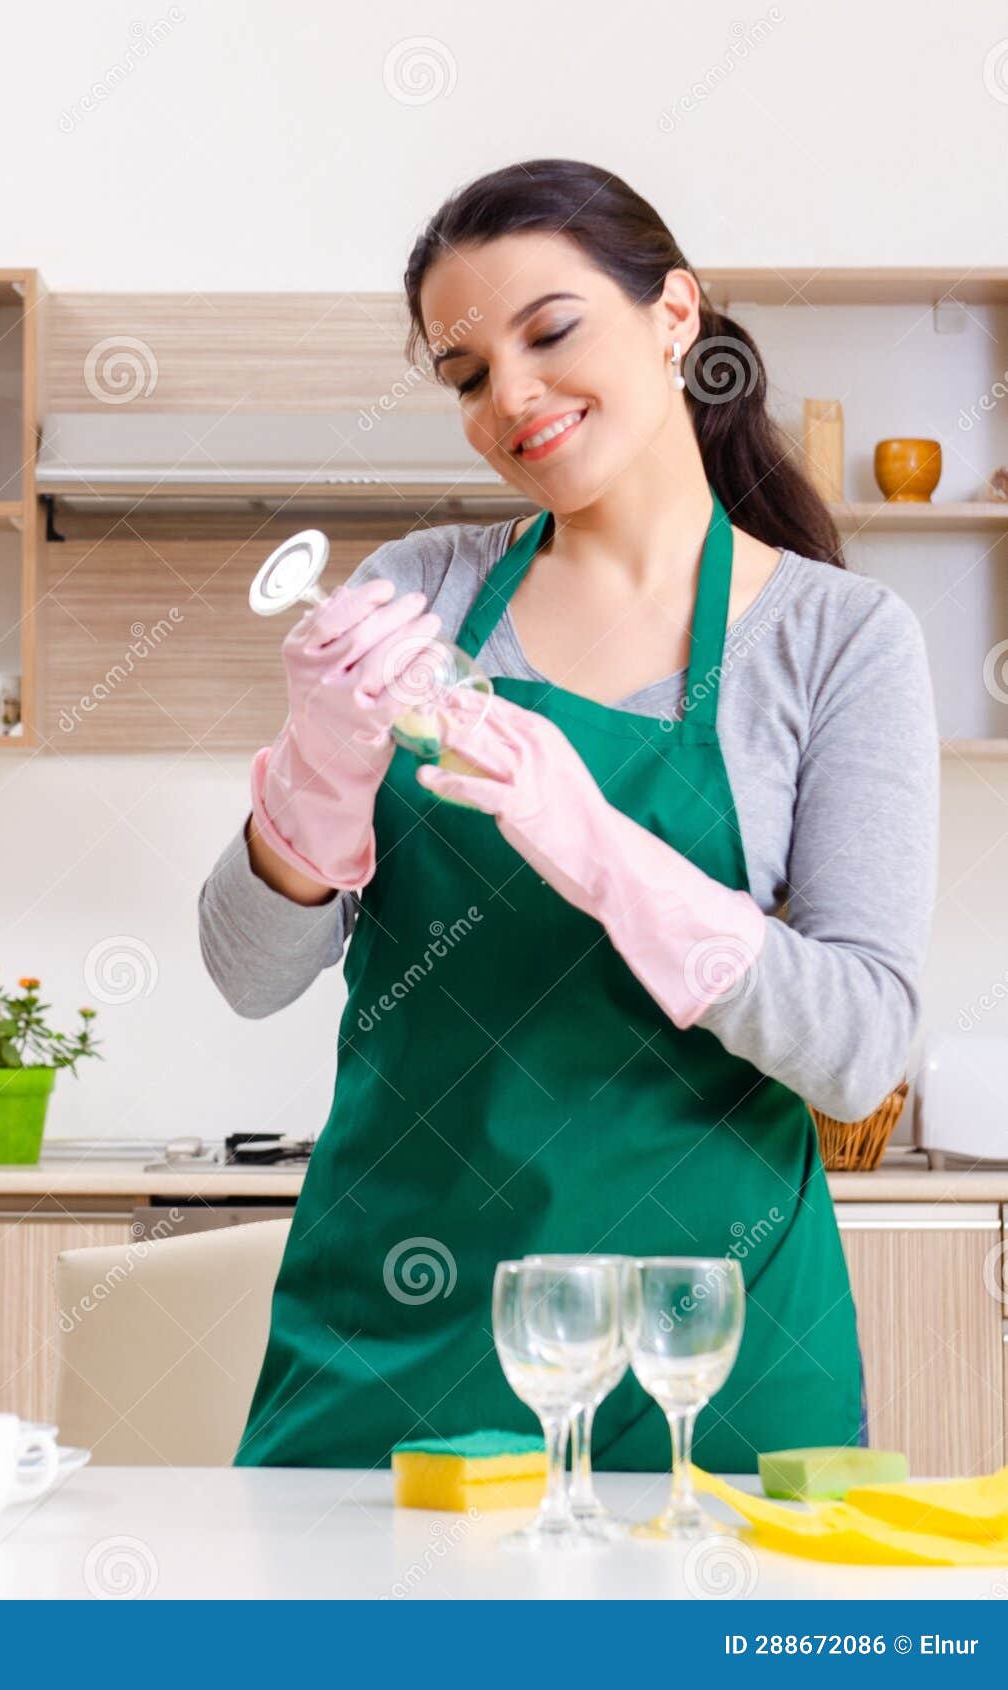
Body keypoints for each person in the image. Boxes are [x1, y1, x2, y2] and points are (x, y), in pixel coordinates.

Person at [198, 158, 938, 1471]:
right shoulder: (420, 591)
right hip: (401, 1325)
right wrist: (314, 774)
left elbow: (861, 1049)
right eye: (467, 373)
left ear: (671, 316)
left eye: (549, 332)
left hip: (702, 1350)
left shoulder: (837, 640)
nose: (511, 398)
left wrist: (603, 851)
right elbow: (247, 973)